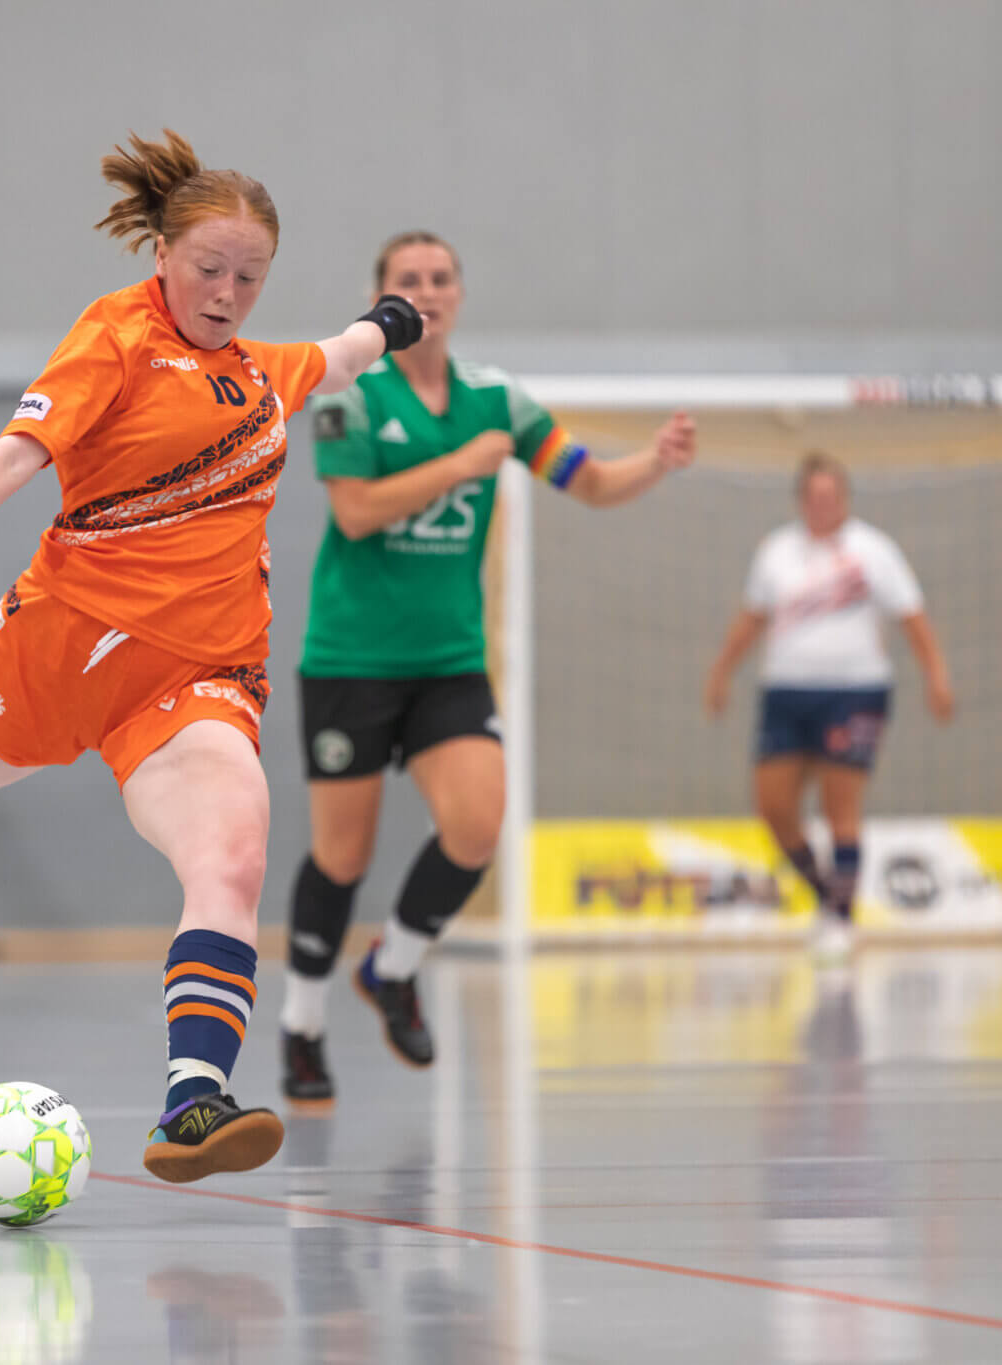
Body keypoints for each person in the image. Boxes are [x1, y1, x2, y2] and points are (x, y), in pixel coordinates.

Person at [0, 130, 422, 1183]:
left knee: (230, 860)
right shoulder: (116, 339)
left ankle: (192, 1103)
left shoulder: (262, 375)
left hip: (191, 686)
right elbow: (21, 449)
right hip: (57, 651)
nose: (225, 292)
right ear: (161, 255)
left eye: (248, 276)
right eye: (207, 268)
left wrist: (388, 322)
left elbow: (339, 354)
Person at [279, 231, 697, 1103]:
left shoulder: (498, 398)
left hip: (447, 661)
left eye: (440, 278)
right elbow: (354, 513)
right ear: (379, 294)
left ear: (460, 293)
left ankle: (392, 970)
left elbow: (585, 480)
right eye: (407, 279)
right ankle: (302, 1023)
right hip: (351, 658)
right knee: (340, 857)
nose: (425, 290)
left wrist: (652, 463)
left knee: (477, 822)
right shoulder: (348, 393)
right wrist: (458, 466)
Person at [704, 451, 954, 959]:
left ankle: (841, 919)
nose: (823, 505)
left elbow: (911, 616)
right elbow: (752, 618)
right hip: (787, 692)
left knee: (841, 805)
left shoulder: (873, 551)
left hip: (855, 691)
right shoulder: (777, 552)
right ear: (801, 500)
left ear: (844, 499)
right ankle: (826, 895)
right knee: (773, 806)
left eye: (832, 496)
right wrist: (722, 670)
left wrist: (937, 675)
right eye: (814, 496)